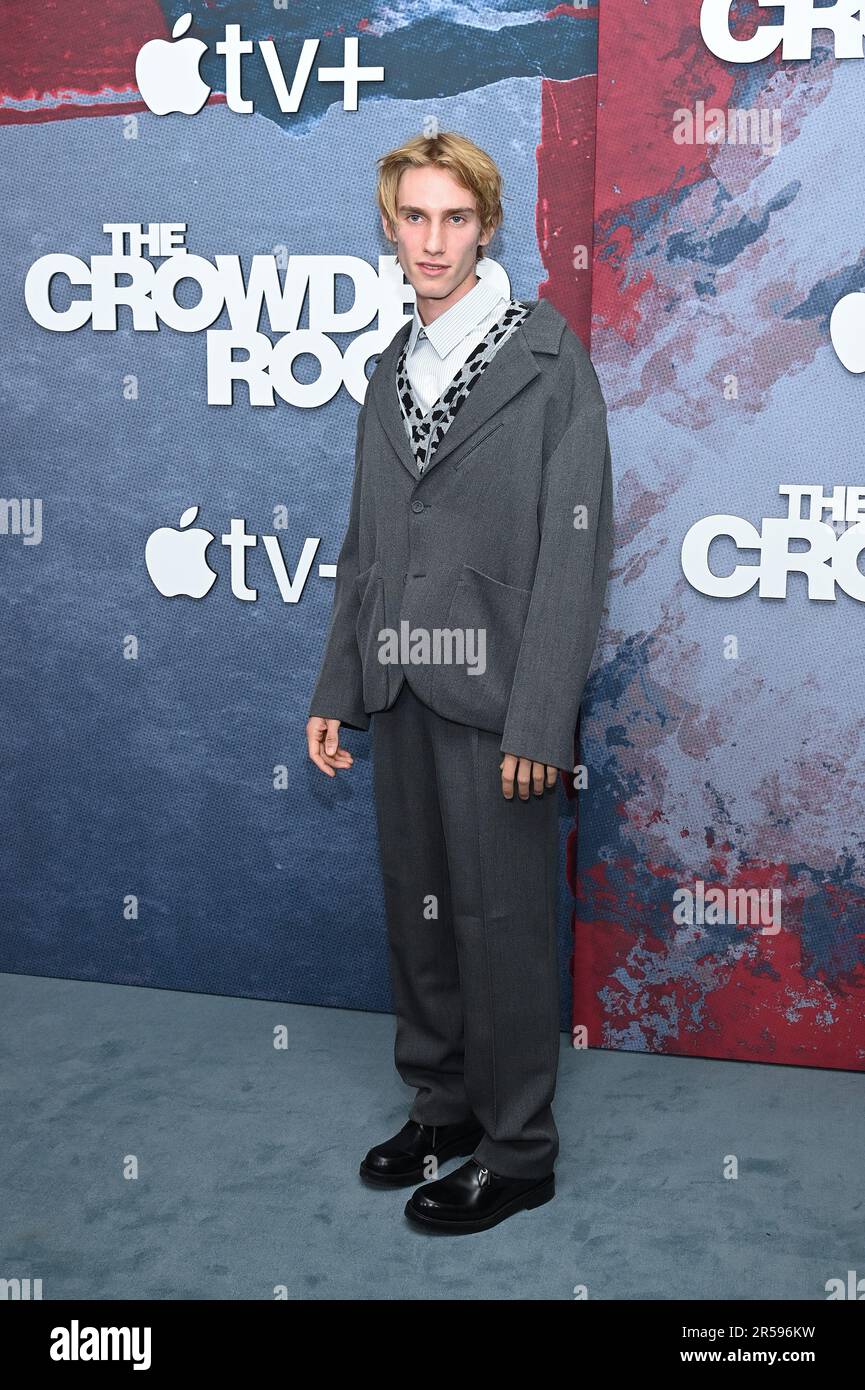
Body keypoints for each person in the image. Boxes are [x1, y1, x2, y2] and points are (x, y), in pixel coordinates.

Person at [306, 131, 614, 1234]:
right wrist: (336, 687)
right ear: (390, 228)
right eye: (413, 218)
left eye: (454, 218)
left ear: (486, 224)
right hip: (400, 684)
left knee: (502, 923)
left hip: (498, 703)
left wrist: (542, 716)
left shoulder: (547, 359)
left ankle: (519, 1145)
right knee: (421, 916)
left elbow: (574, 555)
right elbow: (366, 544)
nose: (432, 240)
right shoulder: (388, 369)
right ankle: (441, 1108)